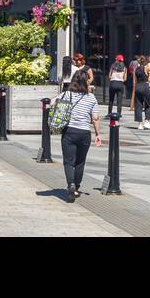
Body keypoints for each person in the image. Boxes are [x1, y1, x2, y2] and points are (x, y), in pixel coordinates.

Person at [56, 69, 102, 202]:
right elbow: (95, 118)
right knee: (80, 162)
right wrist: (98, 134)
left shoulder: (67, 95)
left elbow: (53, 102)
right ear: (86, 82)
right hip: (84, 133)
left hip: (69, 131)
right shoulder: (91, 97)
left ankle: (70, 184)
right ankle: (76, 187)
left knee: (69, 161)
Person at [132, 56, 150, 130]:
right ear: (145, 61)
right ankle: (147, 121)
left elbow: (134, 82)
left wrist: (134, 90)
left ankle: (139, 124)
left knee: (138, 105)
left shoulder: (136, 70)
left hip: (137, 87)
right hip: (145, 86)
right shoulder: (146, 68)